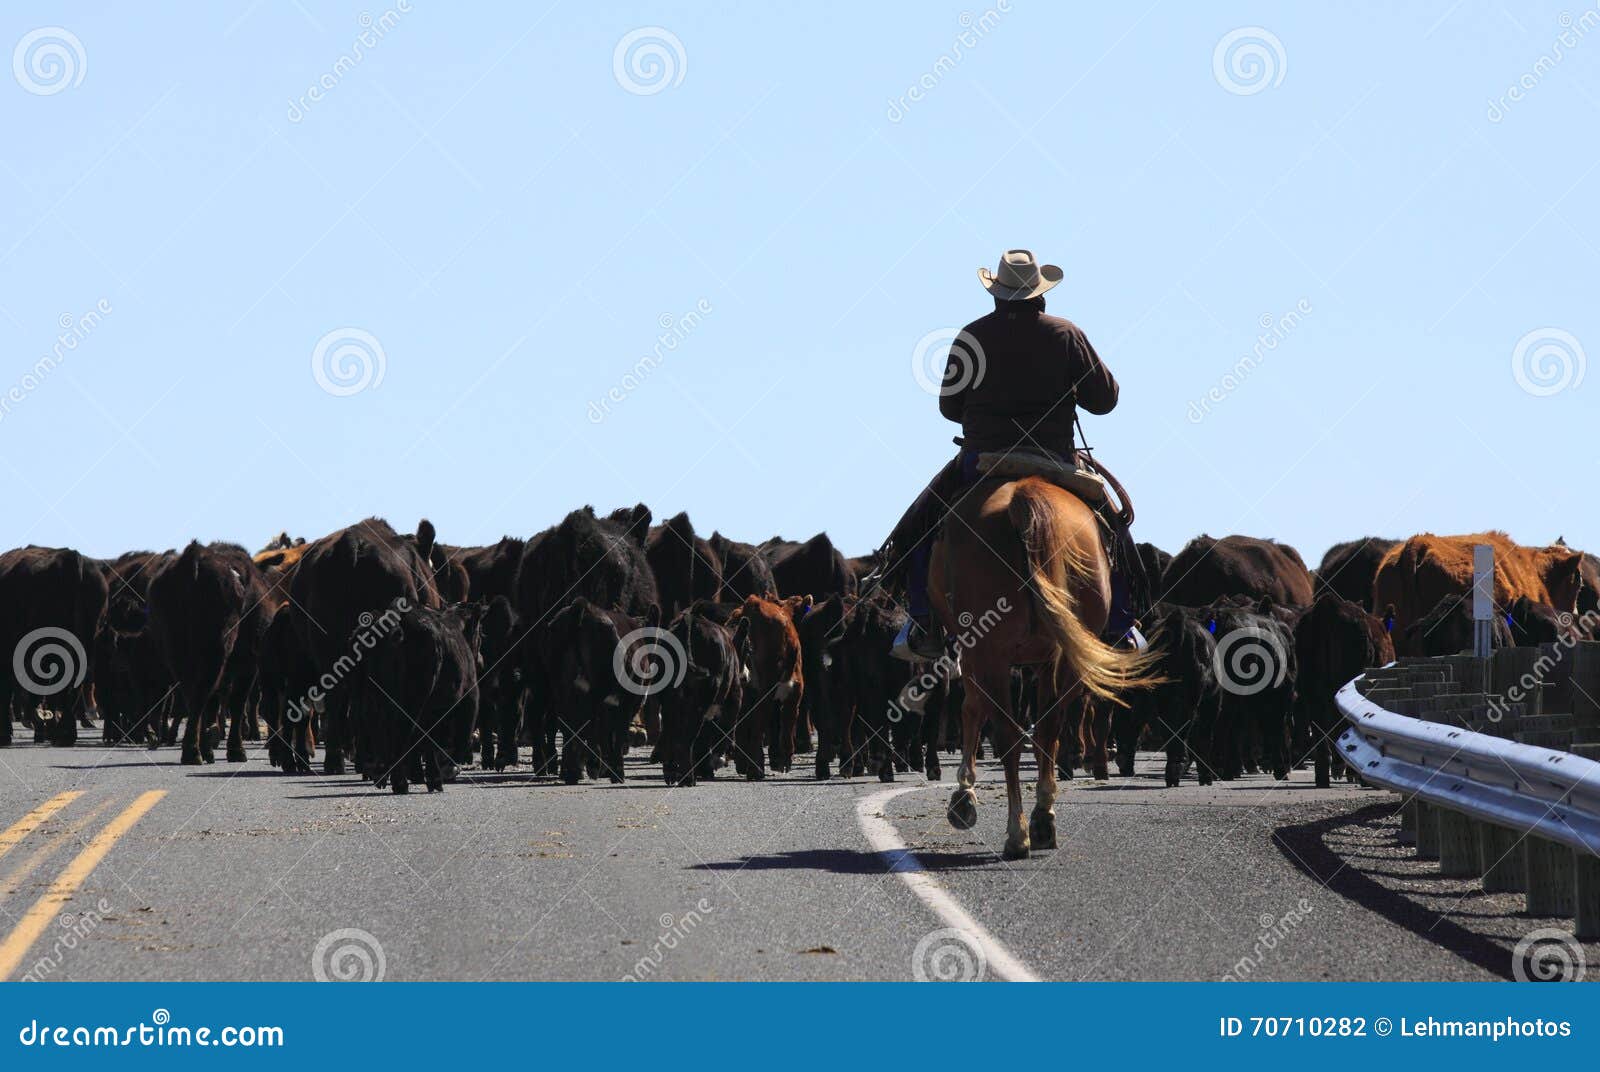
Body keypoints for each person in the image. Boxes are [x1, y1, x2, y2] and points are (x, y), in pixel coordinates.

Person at [885, 249, 1138, 659]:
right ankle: (1121, 624)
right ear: (1041, 294)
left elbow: (949, 408)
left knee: (921, 528)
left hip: (984, 461)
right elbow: (1105, 400)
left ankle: (922, 622)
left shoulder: (971, 336)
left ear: (996, 294)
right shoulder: (1067, 334)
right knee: (1116, 528)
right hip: (1057, 462)